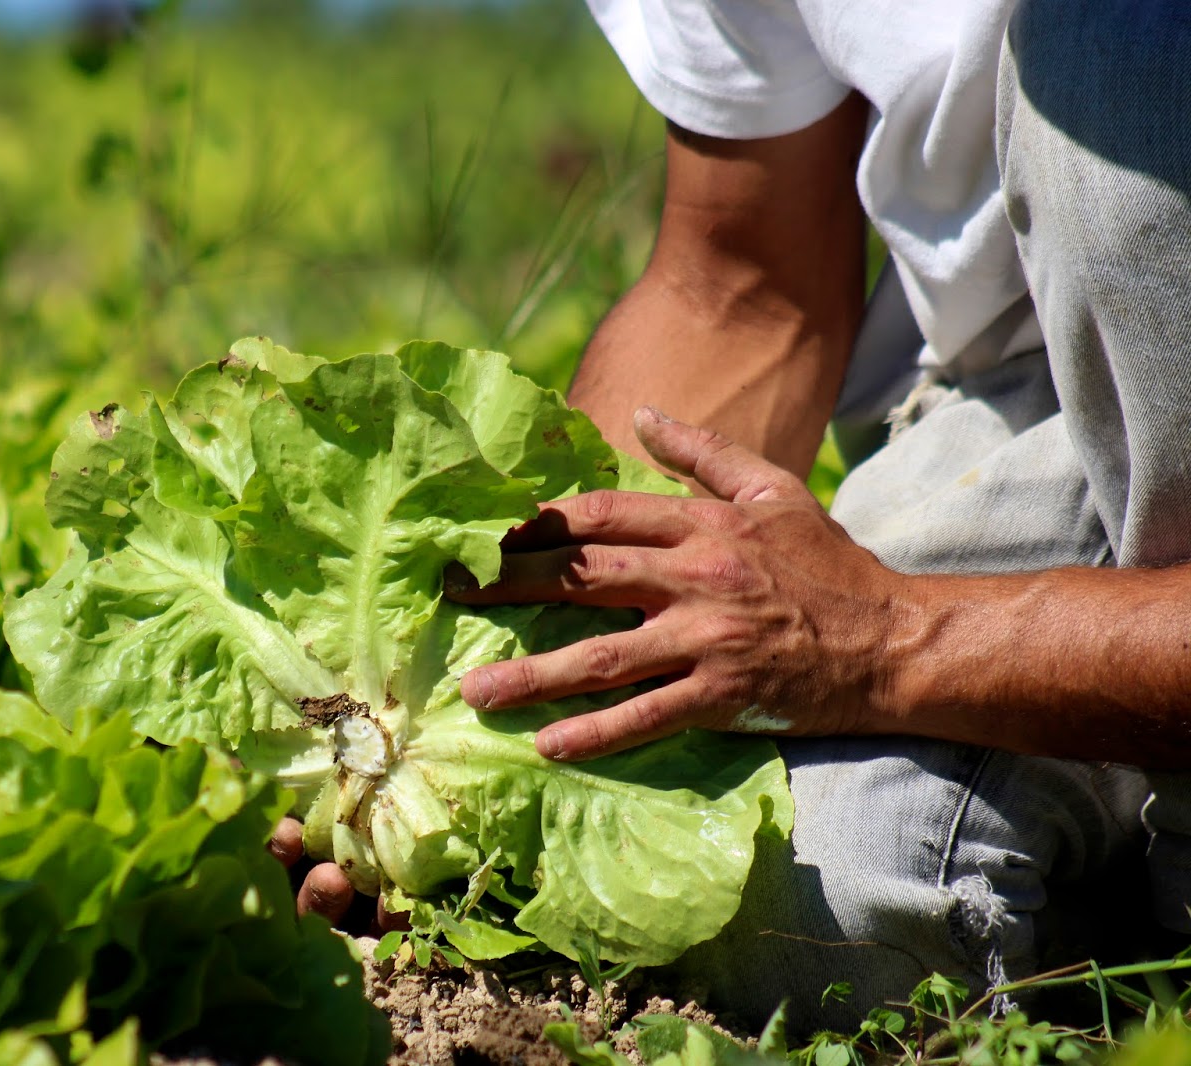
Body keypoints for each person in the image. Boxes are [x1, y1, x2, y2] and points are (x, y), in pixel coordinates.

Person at [282, 0, 1191, 1029]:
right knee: (829, 916)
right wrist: (494, 687)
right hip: (1017, 380)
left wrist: (884, 638)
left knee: (1120, 50)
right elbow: (743, 282)